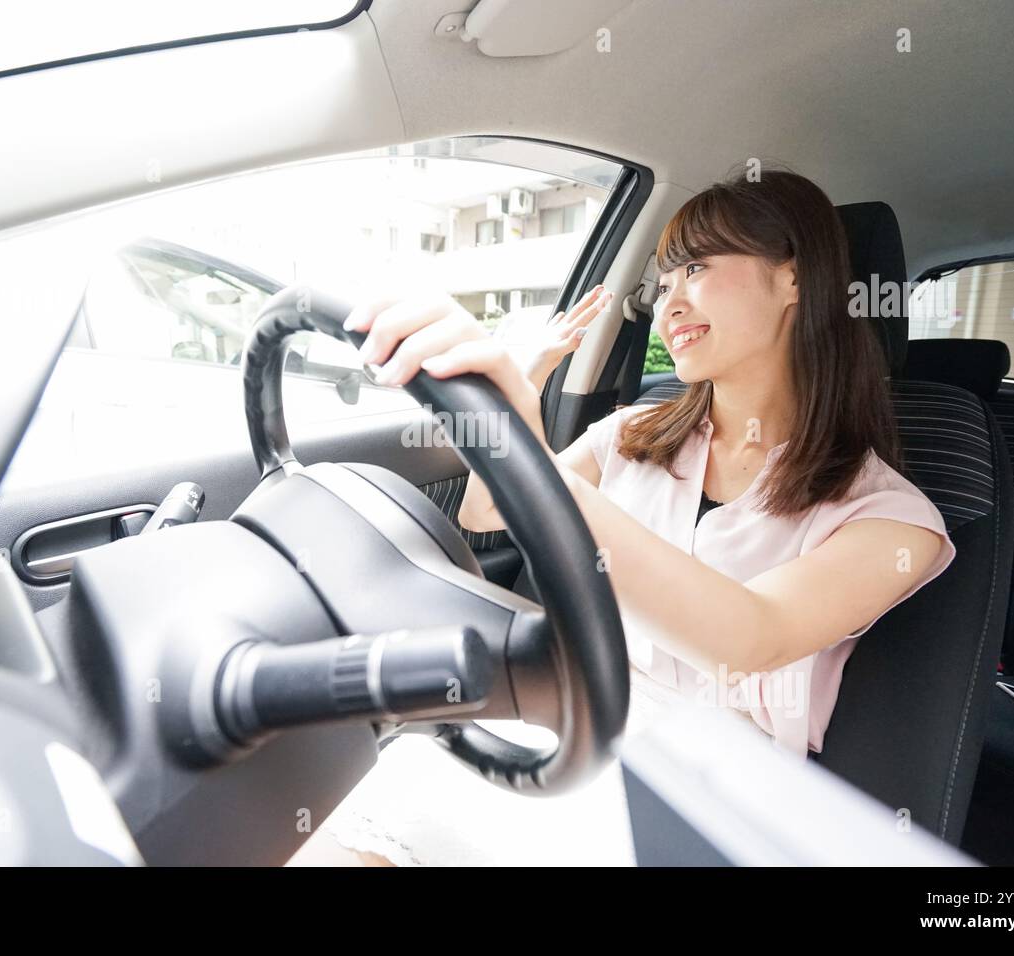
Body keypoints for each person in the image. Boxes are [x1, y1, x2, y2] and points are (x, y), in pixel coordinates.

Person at [289, 168, 956, 866]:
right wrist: (525, 394)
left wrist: (534, 460)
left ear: (795, 278)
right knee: (372, 804)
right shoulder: (633, 434)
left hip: (706, 789)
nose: (670, 304)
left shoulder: (890, 517)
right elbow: (489, 514)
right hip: (572, 714)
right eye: (663, 284)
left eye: (696, 268)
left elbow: (749, 639)